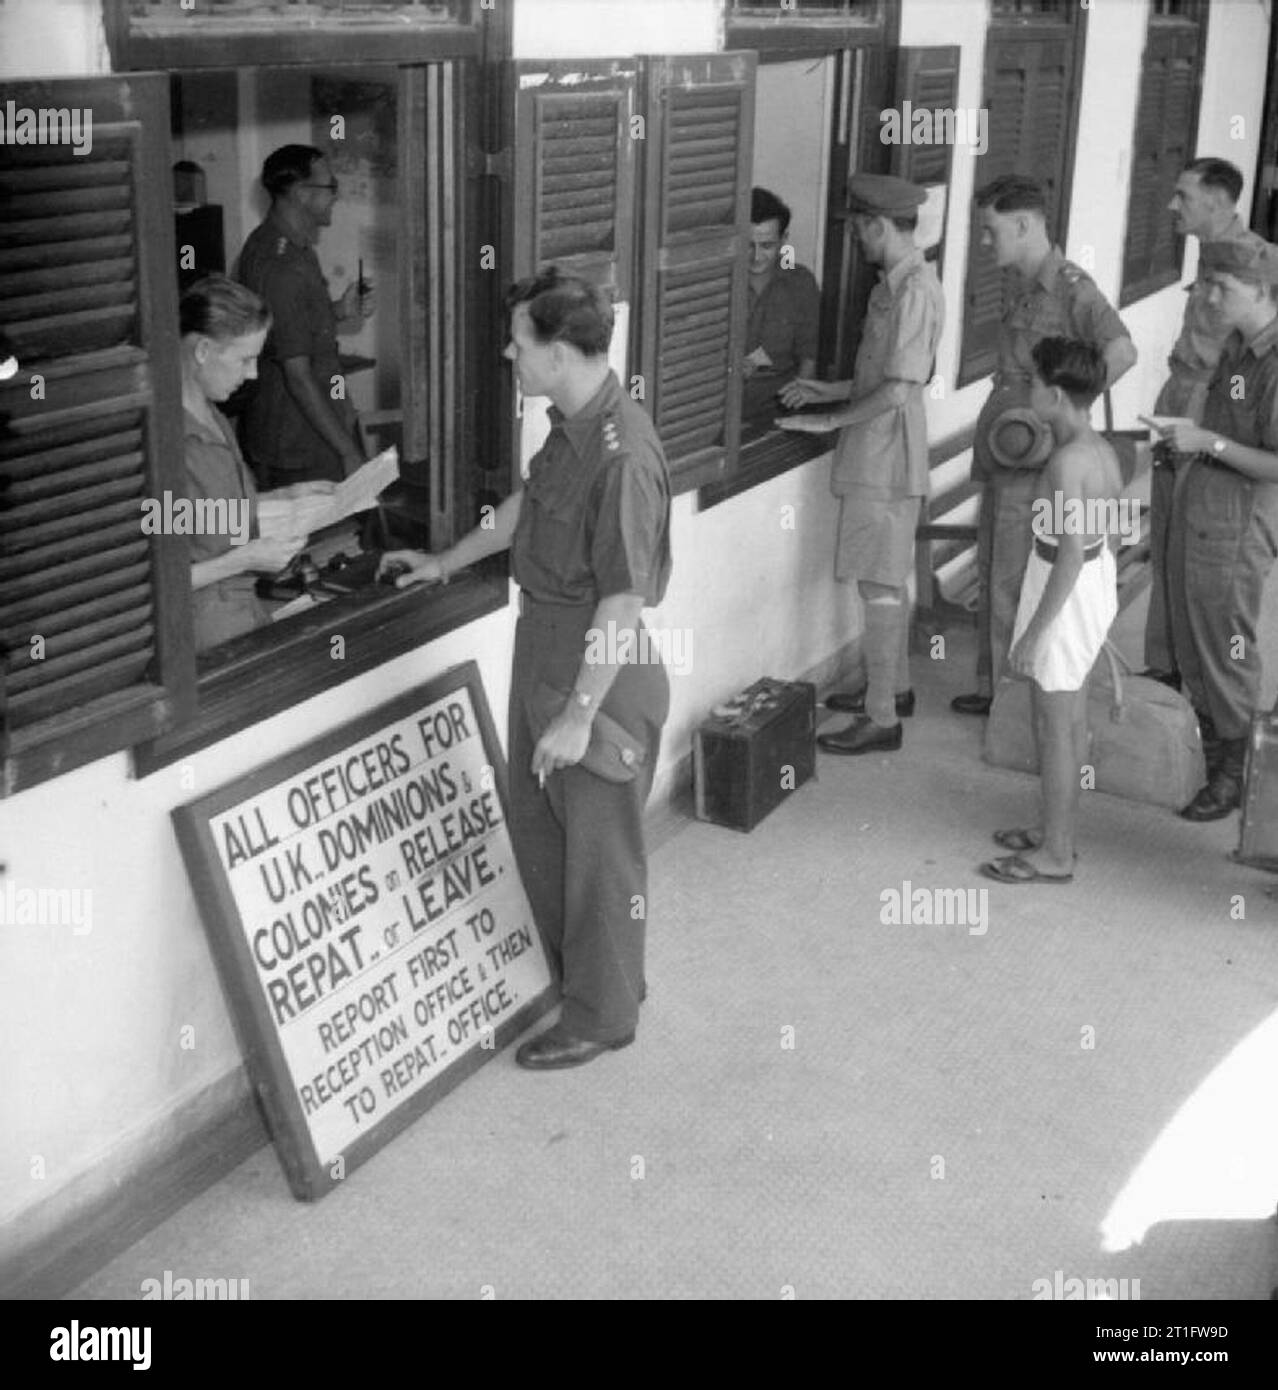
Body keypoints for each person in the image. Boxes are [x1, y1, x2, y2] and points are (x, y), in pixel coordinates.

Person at [379, 268, 672, 1070]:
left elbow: (621, 603)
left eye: (518, 342)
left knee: (597, 858)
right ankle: (603, 980)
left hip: (595, 666)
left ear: (560, 352)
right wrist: (445, 562)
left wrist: (579, 715)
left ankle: (603, 1018)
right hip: (546, 647)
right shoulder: (573, 425)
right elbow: (527, 506)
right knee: (550, 840)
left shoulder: (620, 454)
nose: (508, 354)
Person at [951, 174, 1135, 717]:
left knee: (1015, 577)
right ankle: (996, 690)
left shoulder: (1073, 287)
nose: (986, 242)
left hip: (1036, 463)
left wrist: (1064, 410)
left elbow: (1122, 351)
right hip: (1006, 454)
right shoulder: (1021, 285)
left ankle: (1013, 705)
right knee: (996, 570)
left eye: (992, 230)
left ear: (1024, 224)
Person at [777, 173, 943, 754]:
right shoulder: (891, 287)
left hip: (885, 459)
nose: (856, 240)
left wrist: (829, 421)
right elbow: (881, 377)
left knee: (879, 586)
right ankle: (892, 688)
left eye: (860, 230)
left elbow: (898, 390)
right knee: (884, 580)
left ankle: (881, 719)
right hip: (878, 452)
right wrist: (825, 391)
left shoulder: (914, 291)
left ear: (879, 226)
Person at [981, 339, 1121, 885]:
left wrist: (1033, 634)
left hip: (1065, 587)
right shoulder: (1100, 449)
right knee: (1070, 719)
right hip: (1088, 579)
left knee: (1055, 725)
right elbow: (1106, 538)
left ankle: (1057, 855)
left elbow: (1069, 554)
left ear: (1057, 395)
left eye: (1034, 382)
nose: (1027, 391)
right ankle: (1055, 831)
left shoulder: (1067, 464)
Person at [1161, 240, 1278, 821]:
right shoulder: (1236, 348)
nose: (1208, 297)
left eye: (1222, 287)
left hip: (1238, 519)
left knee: (1227, 642)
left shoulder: (1273, 362)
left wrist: (1209, 442)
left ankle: (1236, 772)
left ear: (1262, 291)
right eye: (1205, 284)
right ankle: (1212, 752)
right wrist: (1195, 441)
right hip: (1206, 504)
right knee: (1194, 636)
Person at [1142, 158, 1267, 690]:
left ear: (1217, 203)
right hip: (1182, 388)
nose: (1172, 205)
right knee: (1167, 533)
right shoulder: (1209, 252)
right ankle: (1166, 666)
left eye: (1183, 196)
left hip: (1214, 401)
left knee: (1204, 551)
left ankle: (1208, 686)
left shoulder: (1256, 261)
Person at [179, 275, 332, 651]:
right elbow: (157, 581)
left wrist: (287, 496)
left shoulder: (211, 415)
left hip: (242, 607)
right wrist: (244, 558)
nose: (253, 374)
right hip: (203, 627)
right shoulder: (167, 442)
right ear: (203, 350)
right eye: (244, 359)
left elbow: (209, 515)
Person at [236, 144, 375, 487]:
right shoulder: (281, 266)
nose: (336, 196)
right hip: (298, 439)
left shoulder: (292, 245)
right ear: (301, 194)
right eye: (330, 187)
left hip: (315, 424)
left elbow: (295, 325)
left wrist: (339, 310)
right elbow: (298, 376)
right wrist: (347, 451)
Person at [741, 187, 821, 426]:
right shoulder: (715, 283)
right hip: (720, 410)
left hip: (778, 409)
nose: (756, 256)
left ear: (784, 240)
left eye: (767, 245)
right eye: (748, 245)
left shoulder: (800, 282)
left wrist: (797, 408)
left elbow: (809, 356)